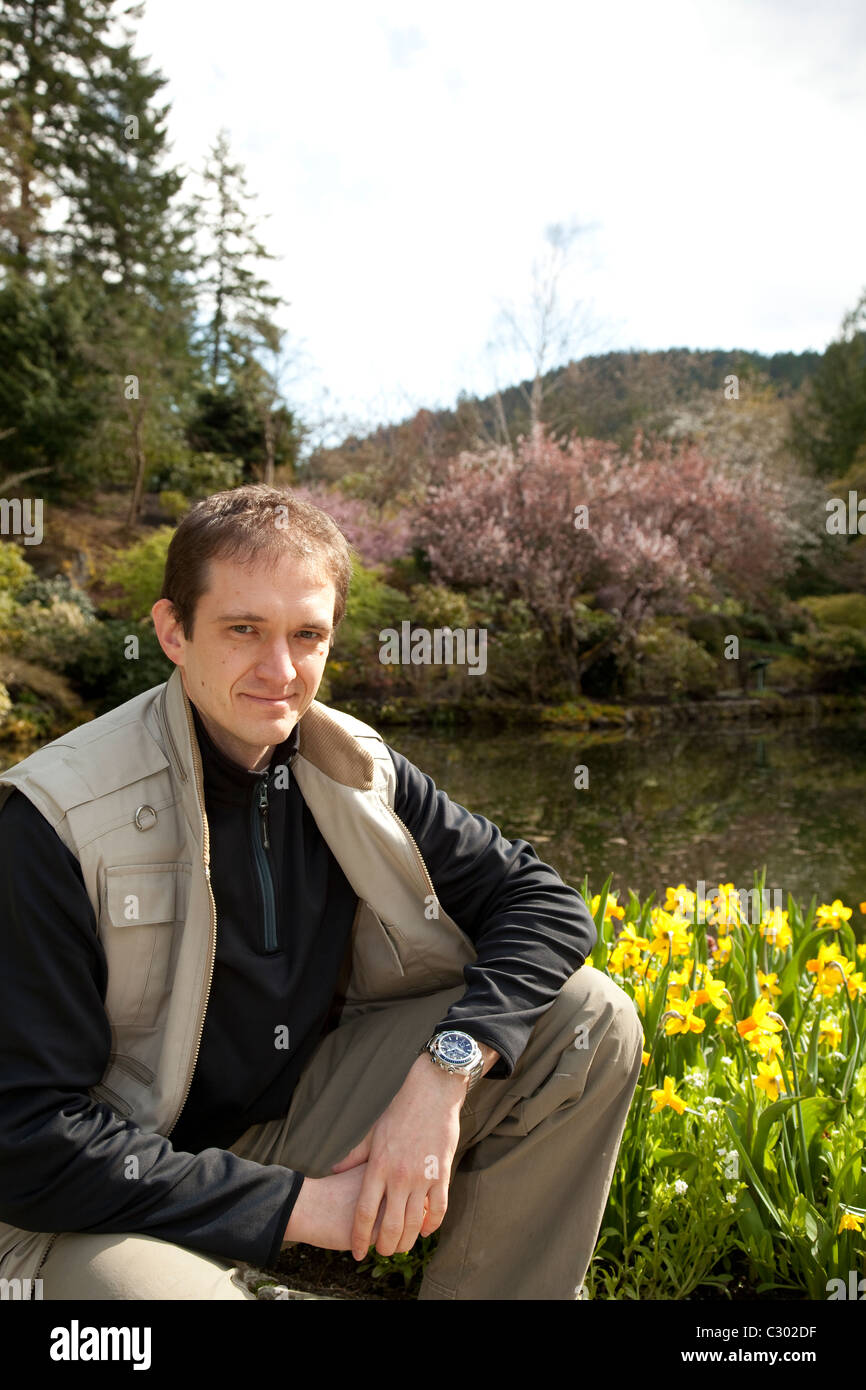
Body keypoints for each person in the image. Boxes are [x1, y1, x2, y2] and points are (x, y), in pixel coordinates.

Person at [0, 484, 643, 1301]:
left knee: (585, 1021)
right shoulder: (54, 819)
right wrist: (304, 1210)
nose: (281, 671)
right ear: (172, 631)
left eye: (307, 635)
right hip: (93, 1200)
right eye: (244, 631)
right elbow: (26, 1142)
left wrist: (441, 1077)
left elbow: (544, 902)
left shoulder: (354, 766)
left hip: (284, 1129)